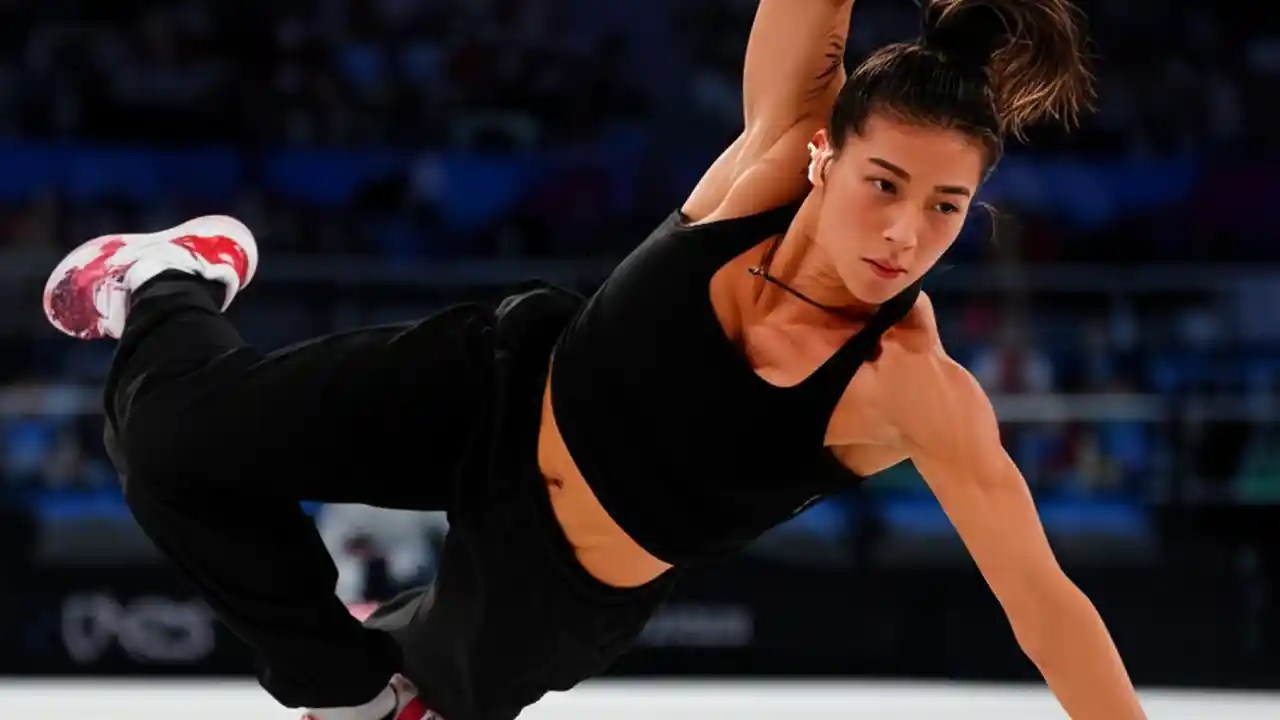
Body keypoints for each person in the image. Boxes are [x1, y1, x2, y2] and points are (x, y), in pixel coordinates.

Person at [40, 1, 1148, 718]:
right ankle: (172, 279)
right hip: (495, 388)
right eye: (884, 186)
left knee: (382, 712)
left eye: (945, 207)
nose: (906, 233)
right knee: (164, 444)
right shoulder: (766, 161)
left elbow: (1045, 607)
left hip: (554, 585)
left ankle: (375, 675)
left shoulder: (909, 387)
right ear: (821, 156)